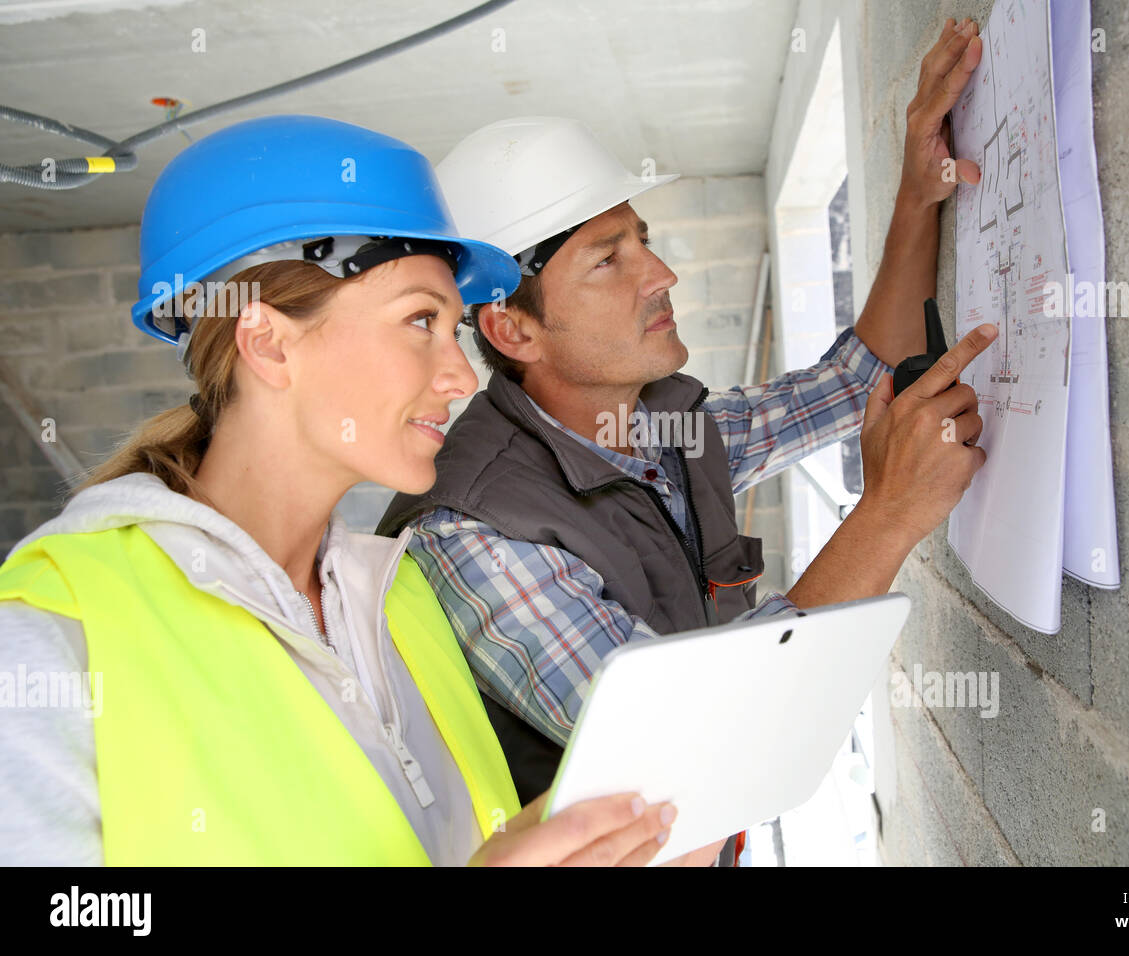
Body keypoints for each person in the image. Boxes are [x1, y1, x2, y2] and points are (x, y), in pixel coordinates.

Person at [0, 114, 720, 867]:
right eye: (420, 321)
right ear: (269, 342)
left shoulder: (400, 599)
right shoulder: (55, 638)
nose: (461, 377)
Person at [376, 17, 996, 821]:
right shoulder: (475, 532)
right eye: (609, 259)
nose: (661, 274)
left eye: (645, 241)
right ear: (512, 329)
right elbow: (693, 752)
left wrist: (917, 195)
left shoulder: (664, 429)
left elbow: (857, 383)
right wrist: (888, 515)